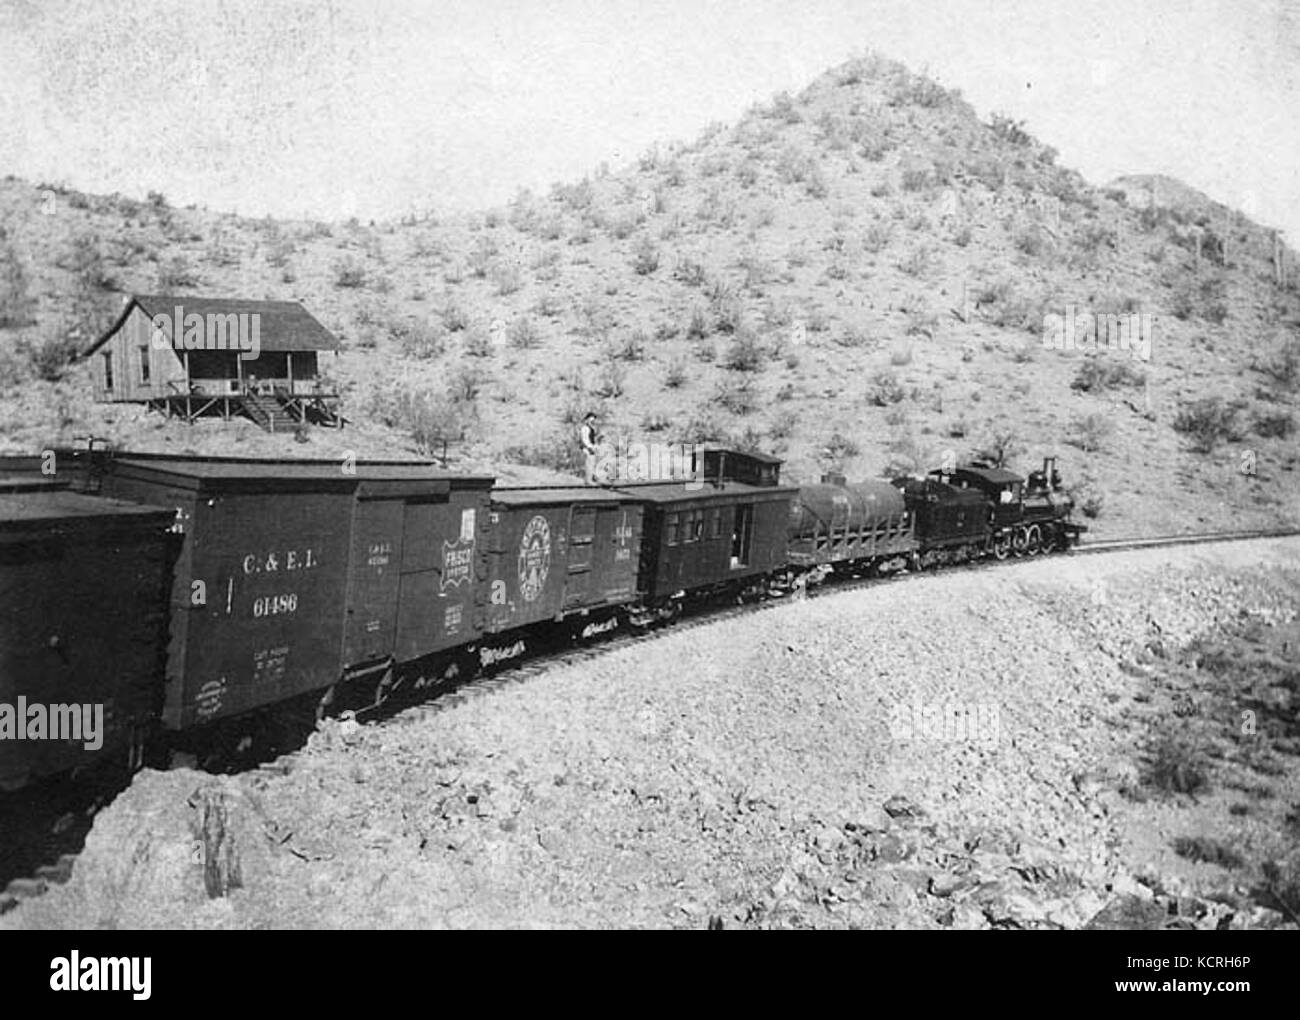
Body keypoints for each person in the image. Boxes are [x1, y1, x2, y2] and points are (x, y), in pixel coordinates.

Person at [580, 411, 600, 485]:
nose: (592, 421)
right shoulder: (585, 428)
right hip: (587, 448)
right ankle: (588, 480)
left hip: (592, 447)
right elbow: (584, 439)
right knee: (589, 464)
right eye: (591, 420)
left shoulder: (591, 428)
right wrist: (589, 447)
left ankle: (592, 478)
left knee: (593, 463)